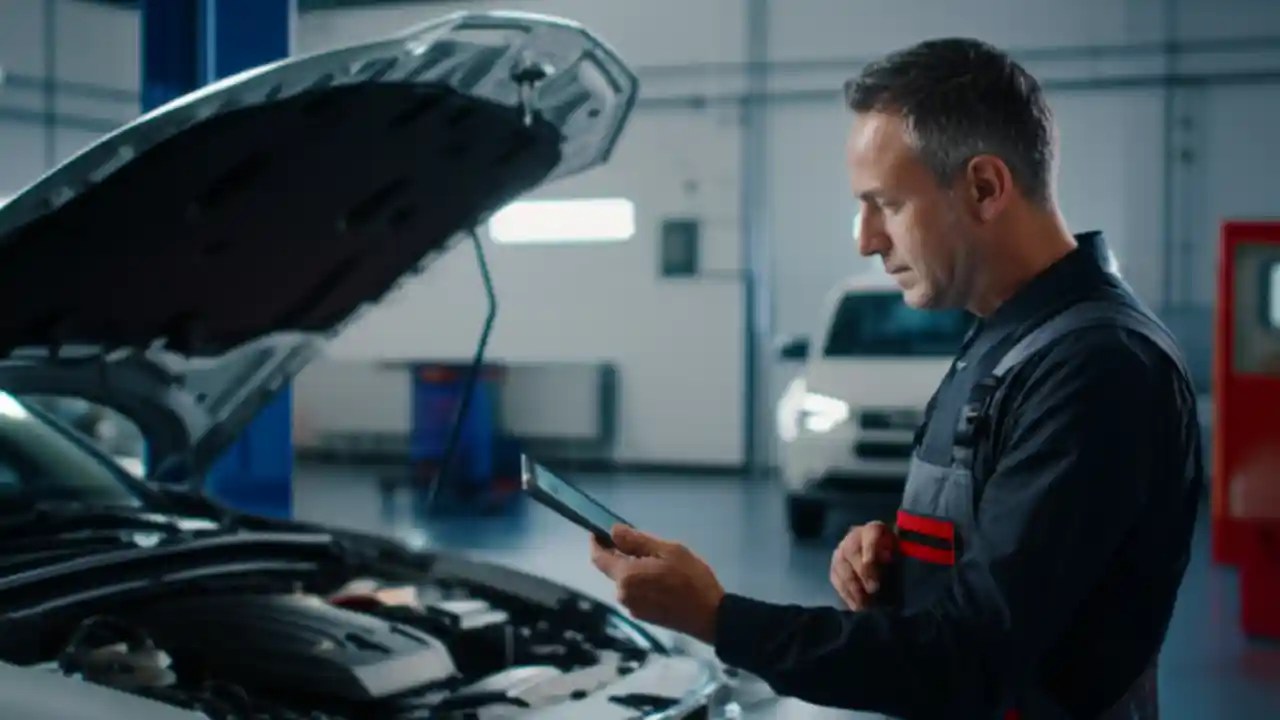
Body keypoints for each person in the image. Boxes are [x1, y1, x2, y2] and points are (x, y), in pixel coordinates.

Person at [589, 37, 1203, 720]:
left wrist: (718, 618)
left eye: (886, 204)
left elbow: (967, 660)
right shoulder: (1006, 337)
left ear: (984, 187)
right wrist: (903, 567)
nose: (866, 239)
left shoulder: (1097, 366)